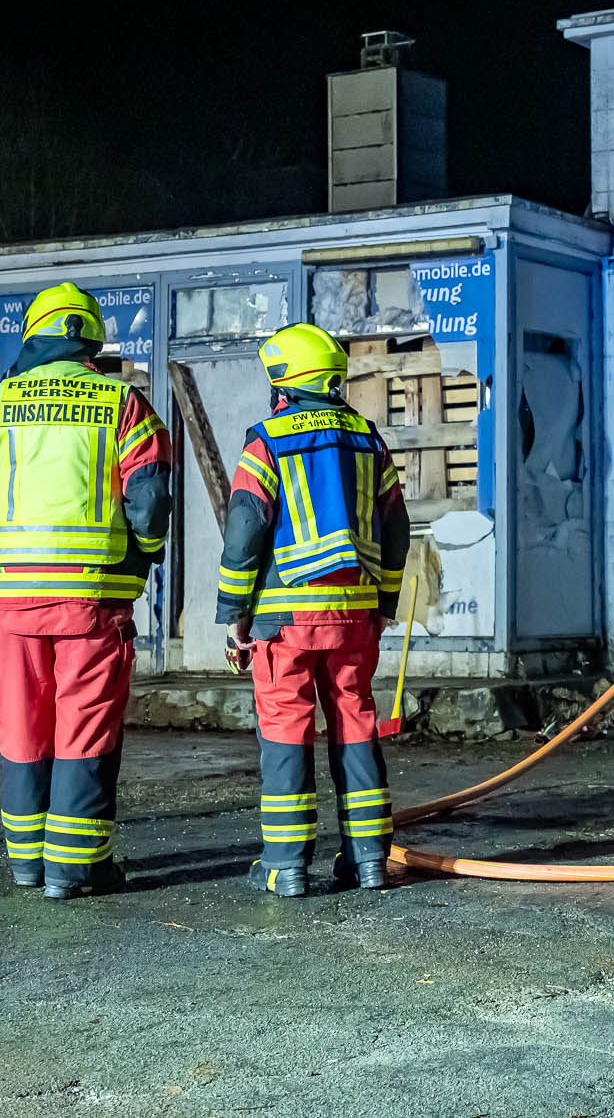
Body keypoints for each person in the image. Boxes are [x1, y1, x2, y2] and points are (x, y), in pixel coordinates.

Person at [0, 283, 172, 899]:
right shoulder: (123, 403)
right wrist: (142, 554)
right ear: (90, 339)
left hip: (17, 602)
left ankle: (27, 865)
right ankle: (73, 870)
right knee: (84, 730)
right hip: (93, 599)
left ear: (33, 336)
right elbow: (150, 498)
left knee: (22, 730)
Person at [215, 323, 411, 896]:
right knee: (356, 724)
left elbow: (245, 535)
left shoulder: (266, 441)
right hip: (355, 617)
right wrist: (384, 603)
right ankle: (369, 860)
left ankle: (287, 867)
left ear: (283, 381)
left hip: (285, 625)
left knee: (286, 733)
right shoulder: (368, 439)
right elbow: (396, 528)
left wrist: (236, 619)